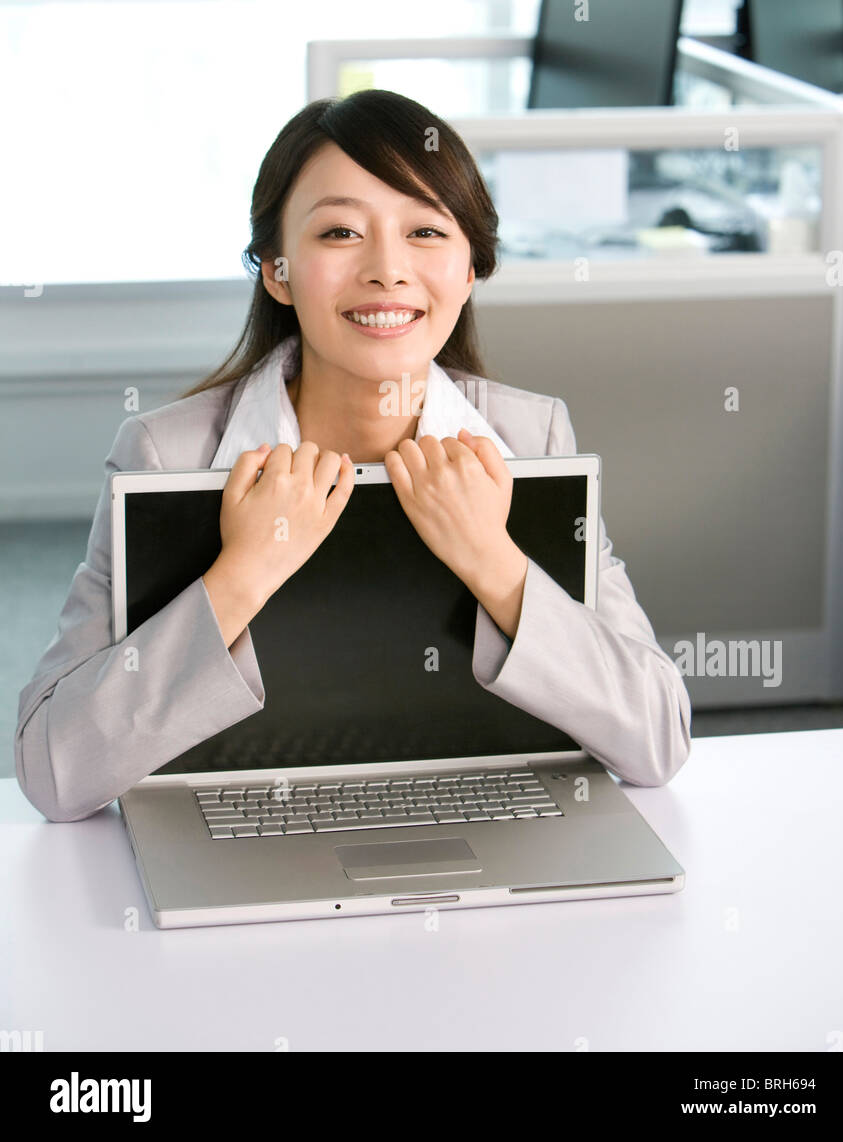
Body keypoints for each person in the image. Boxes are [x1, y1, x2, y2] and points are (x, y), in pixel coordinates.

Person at [15, 89, 691, 823]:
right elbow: (56, 771)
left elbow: (656, 741)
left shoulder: (533, 441)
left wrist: (494, 562)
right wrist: (242, 573)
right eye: (340, 232)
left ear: (469, 272)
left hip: (479, 842)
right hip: (241, 837)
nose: (387, 270)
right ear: (277, 270)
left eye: (426, 231)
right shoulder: (166, 454)